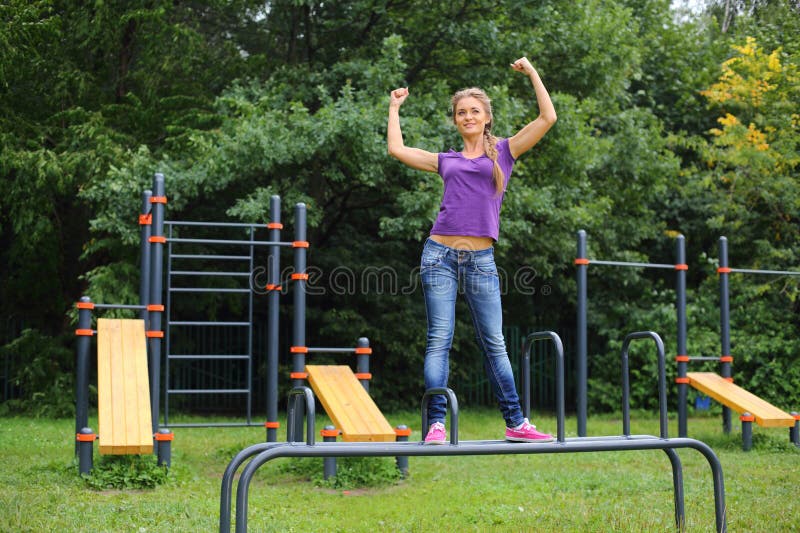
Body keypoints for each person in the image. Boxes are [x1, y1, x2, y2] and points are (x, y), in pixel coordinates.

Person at [387, 57, 557, 444]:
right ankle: (435, 425)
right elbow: (397, 149)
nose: (467, 116)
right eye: (461, 112)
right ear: (455, 120)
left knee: (494, 343)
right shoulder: (444, 160)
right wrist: (394, 107)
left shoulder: (506, 152)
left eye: (474, 111)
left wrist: (532, 72)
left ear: (486, 117)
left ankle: (515, 422)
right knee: (439, 340)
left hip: (481, 261)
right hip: (439, 256)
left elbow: (548, 118)